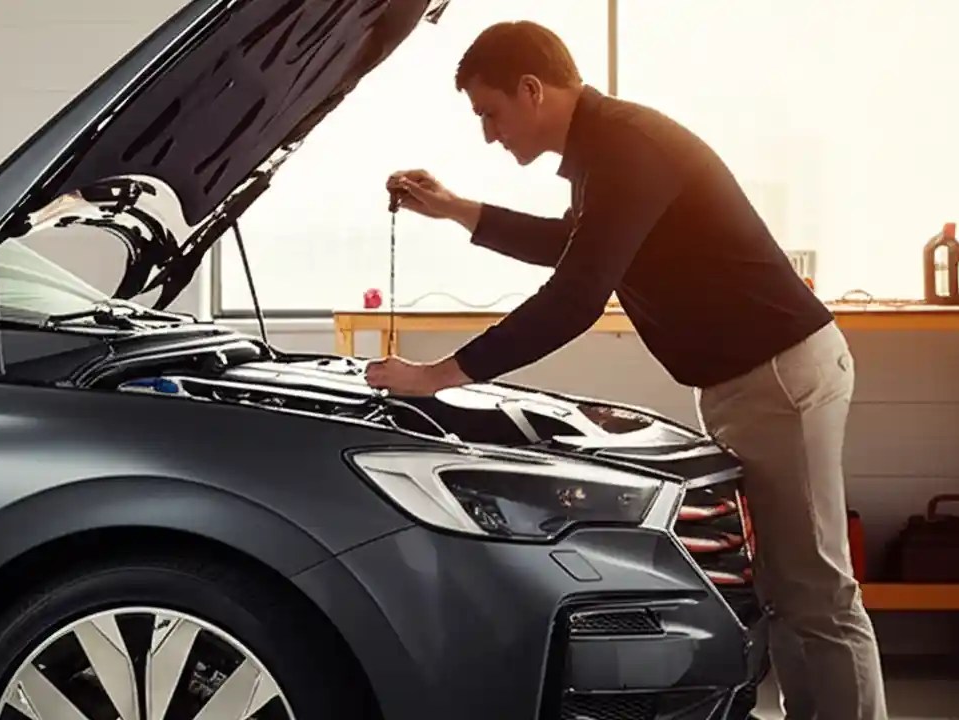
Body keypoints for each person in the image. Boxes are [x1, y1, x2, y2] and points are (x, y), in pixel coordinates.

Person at [365, 19, 887, 720]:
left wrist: (442, 375)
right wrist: (458, 210)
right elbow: (570, 244)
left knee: (817, 592)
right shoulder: (603, 151)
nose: (490, 133)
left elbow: (578, 295)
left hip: (779, 378)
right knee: (781, 588)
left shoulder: (626, 148)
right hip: (747, 382)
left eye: (491, 113)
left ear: (532, 90)